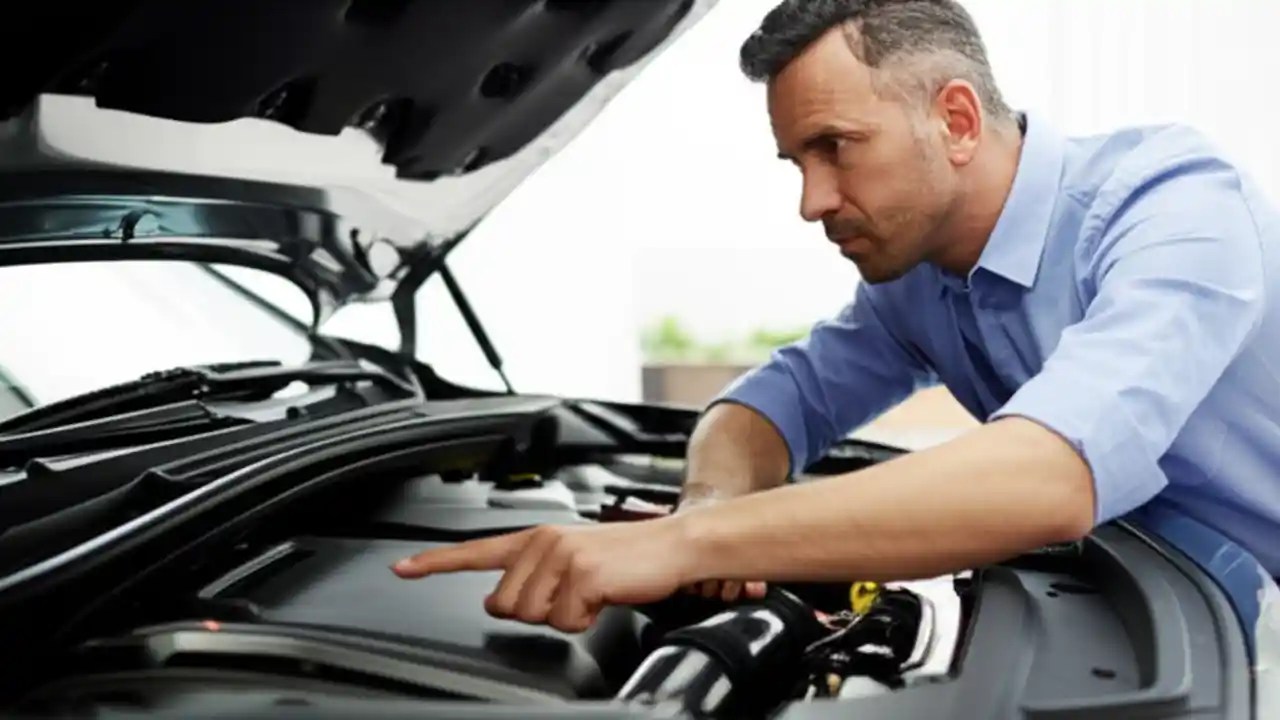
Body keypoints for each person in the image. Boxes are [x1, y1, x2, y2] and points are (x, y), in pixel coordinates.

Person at [391, 0, 1280, 633]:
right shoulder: (918, 279)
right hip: (1177, 597)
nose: (813, 201)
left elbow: (1052, 477)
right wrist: (709, 499)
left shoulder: (1172, 207)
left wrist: (692, 545)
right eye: (796, 163)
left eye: (836, 149)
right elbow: (775, 401)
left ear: (957, 120)